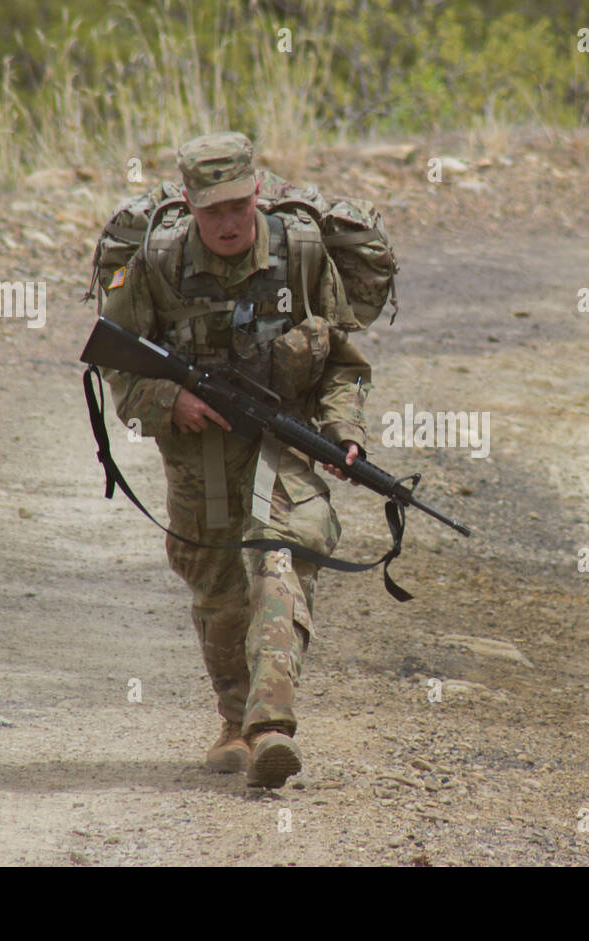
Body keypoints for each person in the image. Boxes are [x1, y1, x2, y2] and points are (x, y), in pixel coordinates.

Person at [99, 132, 371, 788]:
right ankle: (233, 721)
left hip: (284, 440)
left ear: (258, 193)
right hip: (200, 454)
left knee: (283, 557)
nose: (227, 223)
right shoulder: (157, 266)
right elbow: (115, 361)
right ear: (189, 203)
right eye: (211, 210)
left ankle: (271, 724)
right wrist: (171, 399)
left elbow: (341, 361)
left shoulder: (300, 254)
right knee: (218, 584)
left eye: (238, 207)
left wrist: (343, 428)